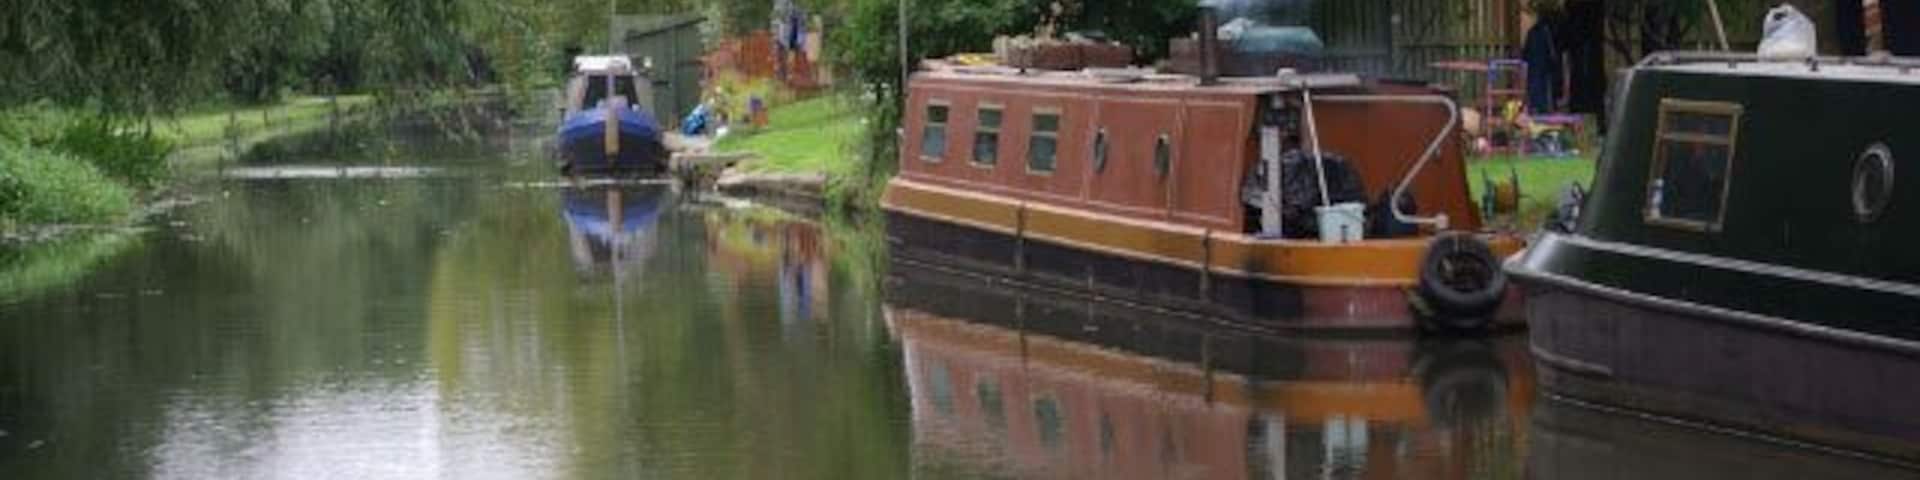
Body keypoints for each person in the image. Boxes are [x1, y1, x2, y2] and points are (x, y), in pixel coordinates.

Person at [1521, 1, 1565, 114]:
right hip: (1544, 75)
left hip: (1535, 74)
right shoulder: (1547, 32)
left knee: (1537, 99)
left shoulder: (1534, 32)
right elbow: (1553, 55)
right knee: (1545, 102)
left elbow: (1525, 55)